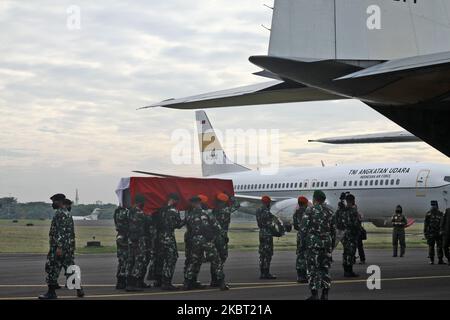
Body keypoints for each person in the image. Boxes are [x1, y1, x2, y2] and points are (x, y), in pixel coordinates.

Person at [39, 195, 84, 299]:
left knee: (52, 268)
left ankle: (51, 293)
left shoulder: (60, 213)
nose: (52, 204)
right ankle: (79, 289)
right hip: (67, 247)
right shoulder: (67, 213)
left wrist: (59, 247)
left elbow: (61, 232)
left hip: (59, 247)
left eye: (54, 201)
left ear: (59, 202)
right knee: (70, 268)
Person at [183, 196, 229, 291]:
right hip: (207, 241)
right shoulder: (207, 213)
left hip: (195, 241)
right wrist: (222, 237)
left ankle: (187, 283)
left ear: (192, 204)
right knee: (216, 261)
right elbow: (217, 227)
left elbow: (188, 230)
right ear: (200, 203)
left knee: (193, 262)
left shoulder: (190, 215)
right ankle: (221, 283)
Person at [300, 190, 336, 300]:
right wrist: (331, 245)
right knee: (325, 269)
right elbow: (333, 231)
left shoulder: (309, 210)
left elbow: (303, 229)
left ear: (315, 199)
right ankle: (325, 295)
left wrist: (302, 245)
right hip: (326, 245)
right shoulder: (330, 211)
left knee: (312, 269)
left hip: (313, 245)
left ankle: (314, 294)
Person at [158, 193, 184, 290]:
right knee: (171, 259)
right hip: (169, 237)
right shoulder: (174, 211)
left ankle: (159, 280)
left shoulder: (160, 210)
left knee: (162, 259)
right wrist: (185, 219)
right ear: (173, 200)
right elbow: (178, 225)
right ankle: (166, 282)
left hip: (160, 238)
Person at [125, 194, 147, 291]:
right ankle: (133, 283)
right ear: (140, 202)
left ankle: (129, 283)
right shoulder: (139, 212)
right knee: (139, 260)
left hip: (131, 238)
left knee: (131, 260)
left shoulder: (129, 211)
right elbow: (146, 221)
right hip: (137, 239)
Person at [210, 193, 231, 287]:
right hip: (222, 237)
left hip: (214, 236)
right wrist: (230, 197)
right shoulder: (226, 210)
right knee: (221, 258)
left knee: (215, 259)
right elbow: (237, 205)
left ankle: (213, 280)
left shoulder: (214, 211)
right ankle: (218, 280)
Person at [256, 196, 277, 280]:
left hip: (261, 233)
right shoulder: (267, 211)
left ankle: (262, 273)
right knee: (268, 254)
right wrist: (277, 233)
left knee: (262, 254)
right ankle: (266, 273)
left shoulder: (258, 210)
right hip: (267, 234)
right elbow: (270, 225)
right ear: (267, 202)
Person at [341, 194, 361, 277]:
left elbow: (337, 221)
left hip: (344, 235)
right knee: (351, 253)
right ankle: (349, 271)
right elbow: (356, 224)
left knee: (345, 252)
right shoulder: (353, 211)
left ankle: (346, 270)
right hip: (351, 235)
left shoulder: (342, 211)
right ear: (353, 201)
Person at [293, 196, 309, 283]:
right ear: (305, 203)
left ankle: (299, 275)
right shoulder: (308, 212)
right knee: (305, 255)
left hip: (299, 235)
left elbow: (295, 226)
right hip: (306, 235)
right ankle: (304, 275)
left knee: (300, 254)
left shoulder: (296, 213)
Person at [114, 205, 129, 289]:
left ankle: (120, 281)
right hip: (123, 237)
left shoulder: (117, 211)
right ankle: (121, 281)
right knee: (124, 261)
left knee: (122, 261)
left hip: (121, 236)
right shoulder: (123, 212)